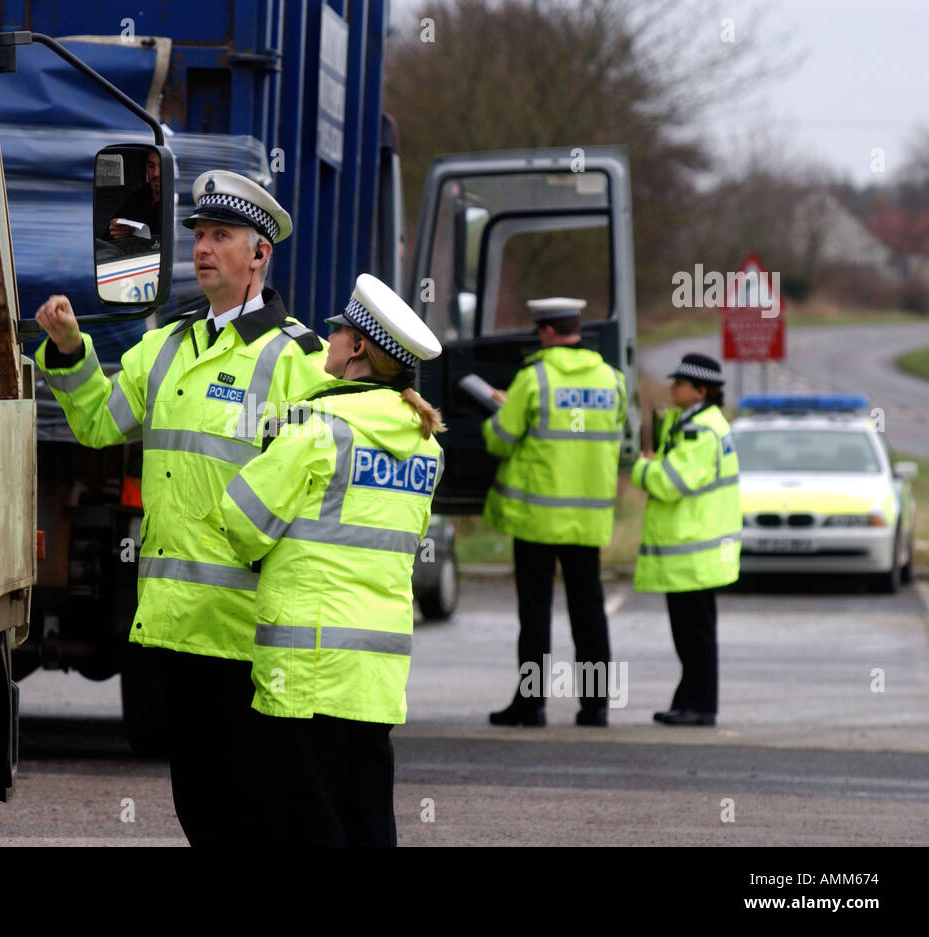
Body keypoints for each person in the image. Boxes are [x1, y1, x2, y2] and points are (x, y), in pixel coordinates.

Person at [33, 169, 329, 846]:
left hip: (252, 633)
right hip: (172, 629)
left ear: (260, 255)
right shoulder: (165, 347)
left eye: (221, 236)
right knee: (200, 808)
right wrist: (72, 352)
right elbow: (100, 423)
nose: (202, 248)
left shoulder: (299, 360)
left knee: (259, 807)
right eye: (198, 234)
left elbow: (317, 498)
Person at [219, 273, 445, 846]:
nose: (331, 340)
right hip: (376, 671)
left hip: (307, 667)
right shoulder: (426, 445)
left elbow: (242, 521)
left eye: (338, 332)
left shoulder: (320, 429)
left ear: (359, 348)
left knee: (308, 824)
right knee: (368, 821)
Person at [484, 298, 626, 728]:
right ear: (576, 329)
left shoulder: (535, 378)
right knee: (590, 613)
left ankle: (532, 705)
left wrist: (499, 411)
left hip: (537, 518)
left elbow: (501, 440)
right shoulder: (613, 379)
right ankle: (596, 706)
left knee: (535, 614)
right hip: (588, 518)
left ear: (545, 331)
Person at [630, 352, 740, 726]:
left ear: (701, 390)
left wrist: (643, 468)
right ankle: (690, 700)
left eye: (680, 383)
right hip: (697, 552)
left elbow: (671, 482)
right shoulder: (699, 422)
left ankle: (700, 706)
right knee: (694, 635)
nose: (672, 387)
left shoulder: (700, 430)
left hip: (692, 552)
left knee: (694, 636)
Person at [104, 149, 162, 243]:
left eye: (162, 166)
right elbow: (110, 233)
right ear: (146, 168)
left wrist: (134, 231)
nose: (156, 173)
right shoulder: (139, 196)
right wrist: (116, 230)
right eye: (151, 166)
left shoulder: (177, 203)